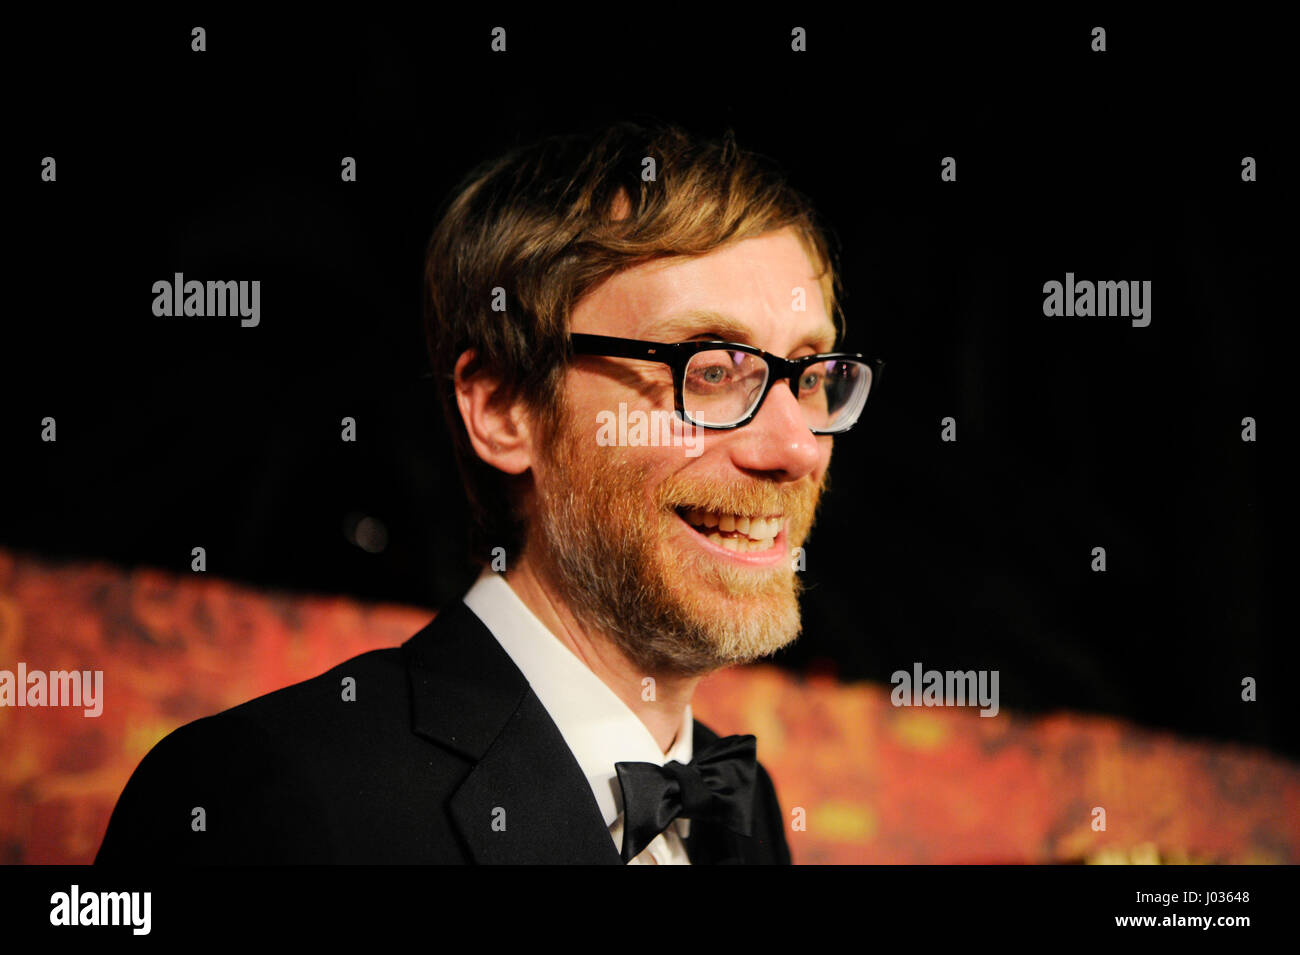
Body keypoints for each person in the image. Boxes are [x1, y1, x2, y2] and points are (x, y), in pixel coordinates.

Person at [95, 120, 880, 864]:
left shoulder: (742, 804)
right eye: (709, 370)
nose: (797, 447)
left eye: (809, 376)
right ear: (504, 410)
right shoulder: (266, 796)